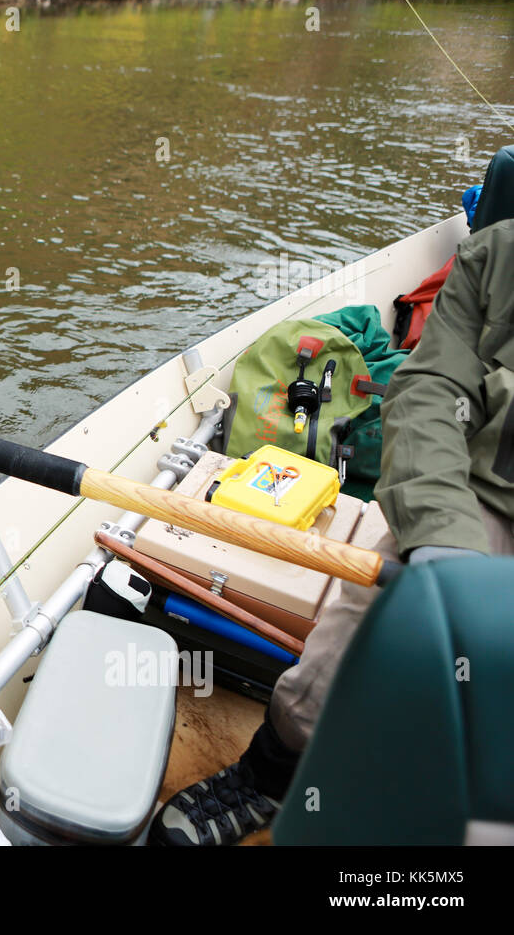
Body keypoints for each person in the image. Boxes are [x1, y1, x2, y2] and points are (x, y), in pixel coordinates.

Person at [150, 146, 514, 846]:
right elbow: (429, 391)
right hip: (477, 497)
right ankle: (269, 772)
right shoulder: (495, 255)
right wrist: (442, 544)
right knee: (350, 645)